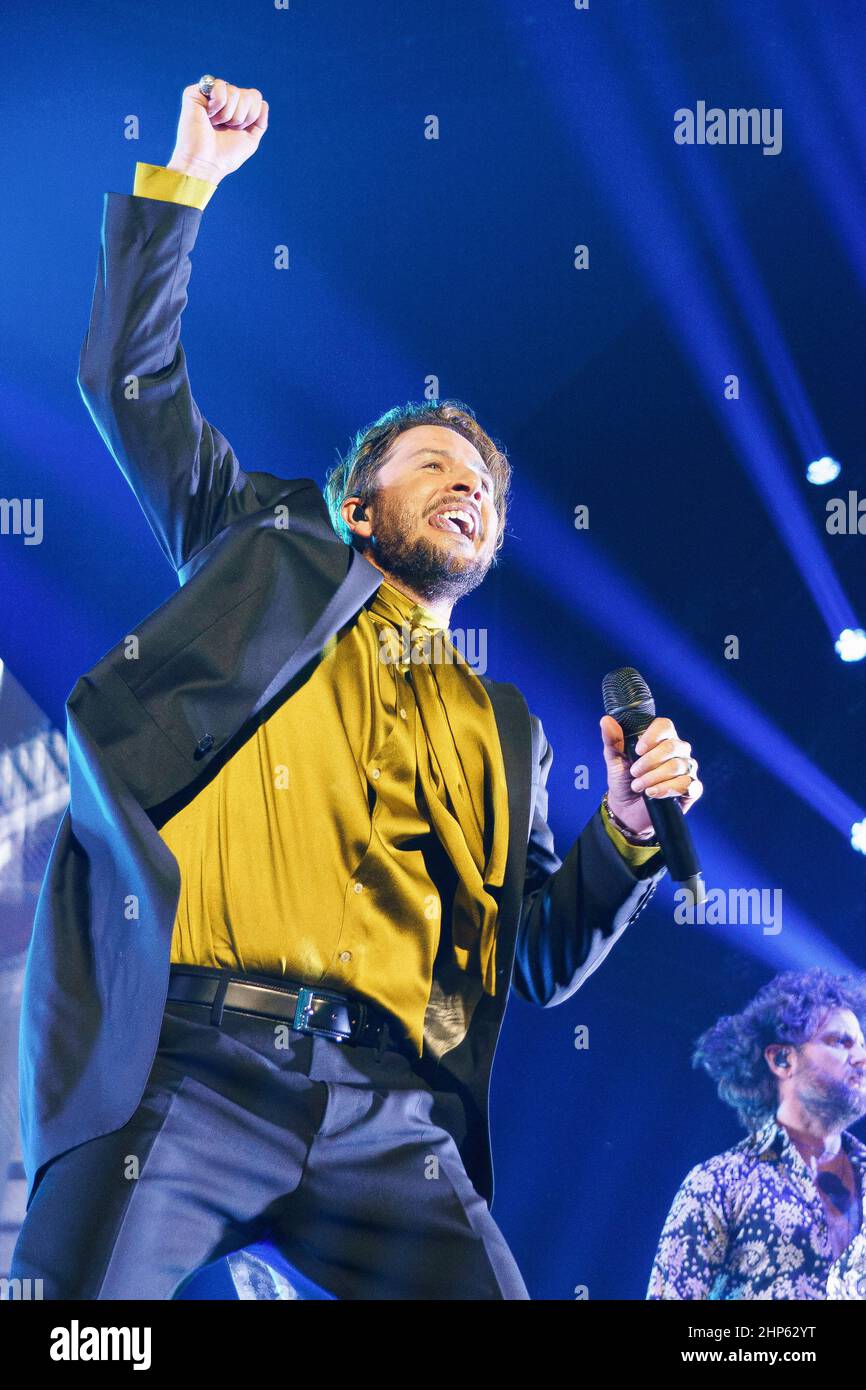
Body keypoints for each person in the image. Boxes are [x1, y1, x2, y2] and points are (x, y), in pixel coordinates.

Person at [11, 78, 702, 1300]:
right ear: (354, 502)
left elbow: (531, 952)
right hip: (189, 1061)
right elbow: (129, 379)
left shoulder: (506, 728)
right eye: (433, 461)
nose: (468, 484)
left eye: (484, 486)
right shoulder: (259, 544)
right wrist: (191, 180)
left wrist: (627, 835)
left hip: (386, 1113)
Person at [647, 967, 866, 1300]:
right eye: (840, 1042)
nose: (862, 1058)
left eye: (863, 1044)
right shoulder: (720, 1182)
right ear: (781, 1060)